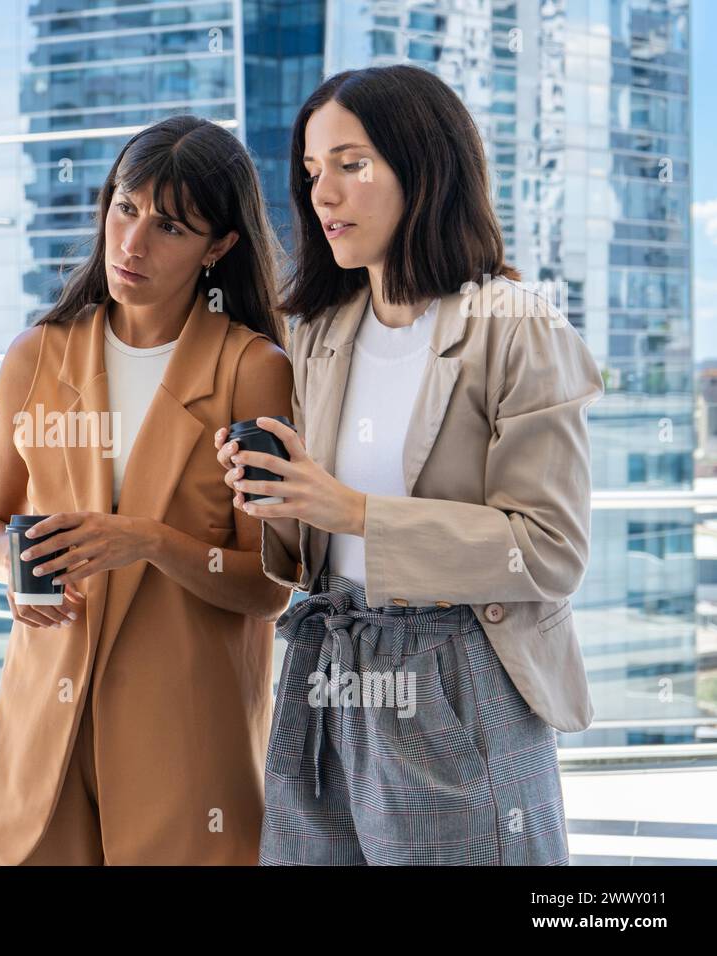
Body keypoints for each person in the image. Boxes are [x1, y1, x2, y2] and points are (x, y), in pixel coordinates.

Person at [215, 65, 603, 865]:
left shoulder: (517, 328)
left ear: (425, 170)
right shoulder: (321, 330)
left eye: (353, 165)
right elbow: (313, 544)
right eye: (314, 171)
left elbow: (549, 550)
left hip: (459, 671)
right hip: (328, 664)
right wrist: (282, 494)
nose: (324, 195)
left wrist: (354, 511)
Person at [0, 115, 295, 865]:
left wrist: (149, 542)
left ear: (220, 247)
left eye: (171, 226)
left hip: (183, 745)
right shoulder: (37, 354)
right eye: (125, 207)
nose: (133, 243)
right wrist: (17, 569)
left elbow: (270, 587)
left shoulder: (253, 369)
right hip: (41, 731)